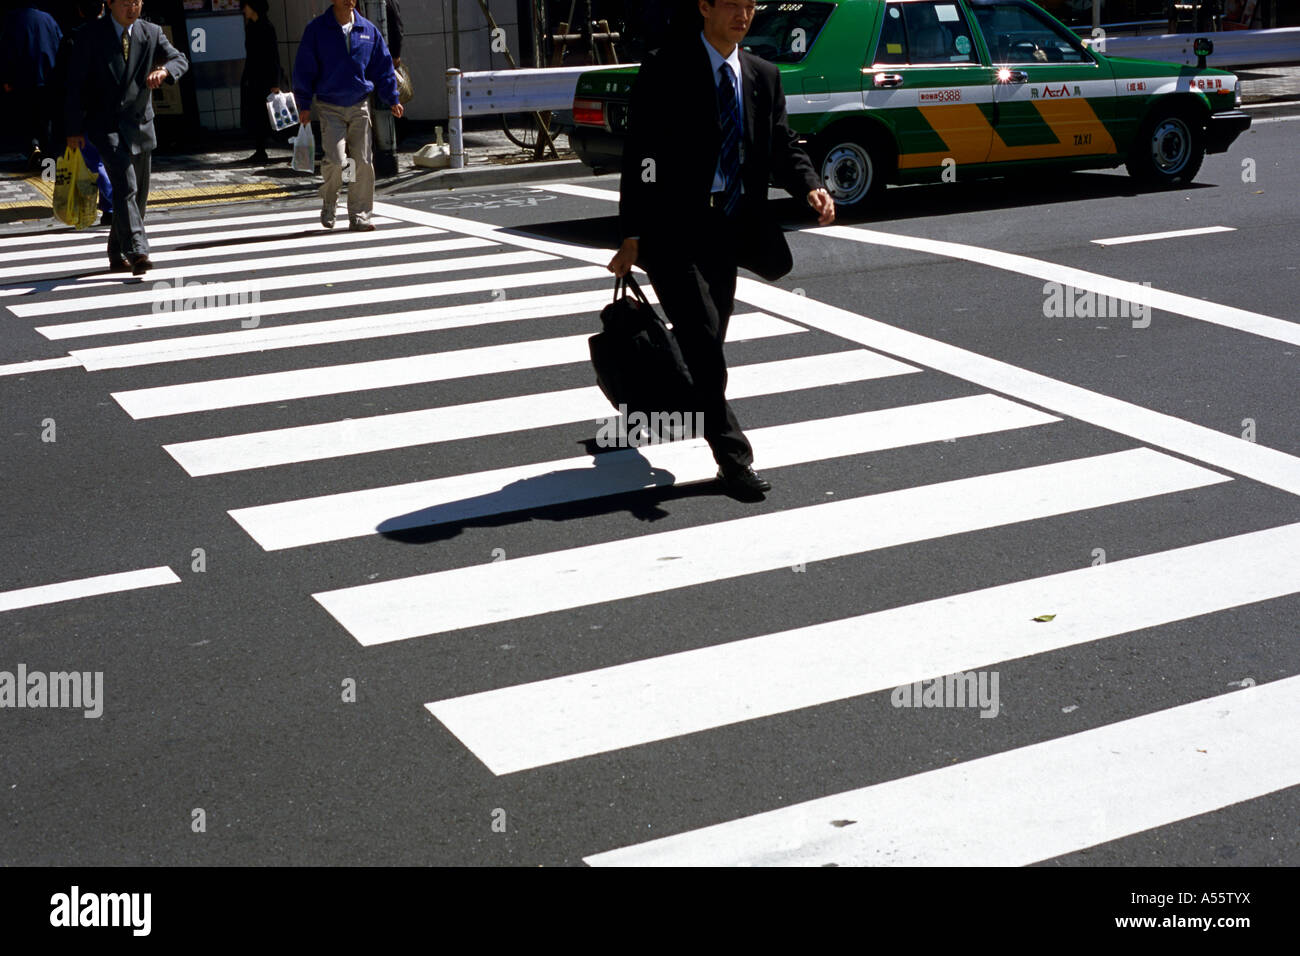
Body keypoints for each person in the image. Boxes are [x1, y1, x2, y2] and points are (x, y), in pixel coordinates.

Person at [607, 0, 835, 498]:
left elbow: (780, 143)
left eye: (750, 5)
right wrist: (633, 232)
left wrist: (809, 186)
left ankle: (651, 399)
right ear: (705, 6)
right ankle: (734, 461)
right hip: (672, 231)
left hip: (729, 228)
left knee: (706, 340)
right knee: (705, 341)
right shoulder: (667, 68)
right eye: (731, 4)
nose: (743, 14)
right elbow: (641, 154)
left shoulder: (762, 74)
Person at [64, 0, 187, 274]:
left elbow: (180, 59)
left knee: (137, 195)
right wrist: (73, 129)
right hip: (105, 125)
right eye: (125, 3)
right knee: (126, 185)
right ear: (109, 3)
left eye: (136, 2)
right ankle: (138, 251)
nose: (132, 9)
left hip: (141, 124)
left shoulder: (151, 32)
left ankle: (115, 250)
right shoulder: (90, 35)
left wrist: (165, 71)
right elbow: (74, 85)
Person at [292, 0, 403, 231]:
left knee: (362, 161)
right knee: (336, 160)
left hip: (360, 104)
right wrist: (303, 104)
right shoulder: (317, 30)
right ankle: (330, 201)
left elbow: (383, 67)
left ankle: (360, 215)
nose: (349, 0)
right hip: (329, 106)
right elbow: (304, 68)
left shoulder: (367, 30)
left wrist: (392, 98)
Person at [51, 0, 113, 225]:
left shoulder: (72, 39)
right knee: (106, 159)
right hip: (109, 108)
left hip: (84, 110)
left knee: (93, 160)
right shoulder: (112, 35)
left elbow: (63, 82)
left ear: (79, 10)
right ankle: (110, 210)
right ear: (104, 8)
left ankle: (116, 202)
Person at [1, 2, 62, 170]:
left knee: (26, 117)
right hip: (48, 79)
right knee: (46, 120)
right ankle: (48, 164)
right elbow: (60, 45)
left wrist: (6, 78)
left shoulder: (12, 19)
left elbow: (6, 49)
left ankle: (33, 148)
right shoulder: (49, 19)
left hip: (23, 79)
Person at [239, 0, 281, 165]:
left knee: (266, 115)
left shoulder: (267, 27)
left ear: (254, 7)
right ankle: (260, 149)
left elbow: (274, 56)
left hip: (266, 79)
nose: (244, 10)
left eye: (246, 6)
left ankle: (270, 146)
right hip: (254, 78)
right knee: (256, 114)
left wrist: (275, 82)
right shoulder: (250, 27)